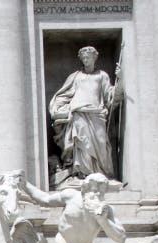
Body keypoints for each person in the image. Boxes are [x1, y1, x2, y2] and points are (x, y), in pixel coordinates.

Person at [19, 172, 126, 243]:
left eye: (101, 191)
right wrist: (25, 185)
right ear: (85, 187)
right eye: (93, 189)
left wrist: (103, 220)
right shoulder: (70, 196)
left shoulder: (107, 211)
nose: (97, 193)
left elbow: (121, 238)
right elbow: (45, 199)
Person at [49, 46, 121, 181]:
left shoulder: (102, 75)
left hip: (97, 114)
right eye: (84, 58)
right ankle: (83, 174)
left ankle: (101, 173)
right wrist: (58, 108)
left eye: (88, 57)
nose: (86, 60)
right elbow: (63, 95)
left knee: (101, 142)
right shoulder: (75, 76)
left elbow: (111, 97)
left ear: (94, 58)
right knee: (82, 143)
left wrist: (120, 79)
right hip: (78, 113)